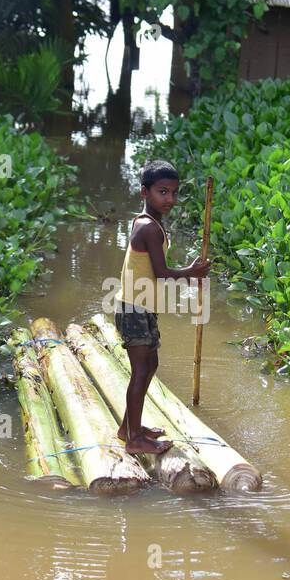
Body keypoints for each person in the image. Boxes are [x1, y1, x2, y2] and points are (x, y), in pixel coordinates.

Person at [114, 159, 211, 455]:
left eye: (174, 193)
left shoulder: (148, 223)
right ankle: (134, 440)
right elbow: (161, 272)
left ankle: (128, 427)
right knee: (140, 371)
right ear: (145, 192)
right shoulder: (149, 229)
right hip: (133, 309)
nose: (170, 199)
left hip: (142, 307)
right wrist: (191, 273)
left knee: (149, 365)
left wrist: (189, 275)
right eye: (162, 192)